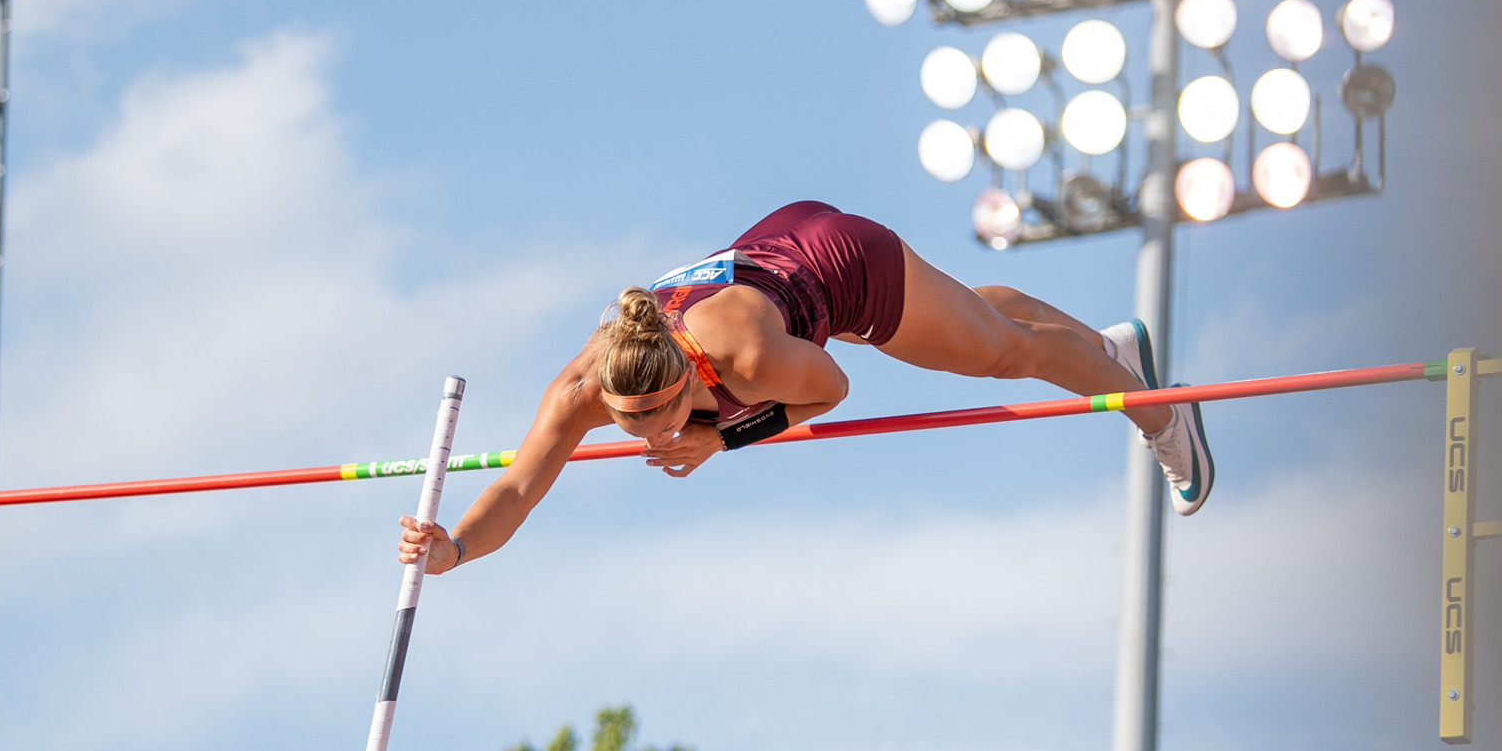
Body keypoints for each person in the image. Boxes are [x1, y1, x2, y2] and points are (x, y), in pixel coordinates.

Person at [397, 201, 1212, 573]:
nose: (647, 437)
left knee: (1001, 356)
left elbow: (832, 385)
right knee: (972, 323)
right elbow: (518, 487)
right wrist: (456, 548)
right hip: (775, 253)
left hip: (841, 267)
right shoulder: (581, 385)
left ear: (688, 375)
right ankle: (1105, 352)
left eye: (664, 416)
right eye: (629, 423)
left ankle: (1158, 411)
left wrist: (723, 436)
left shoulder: (744, 357)